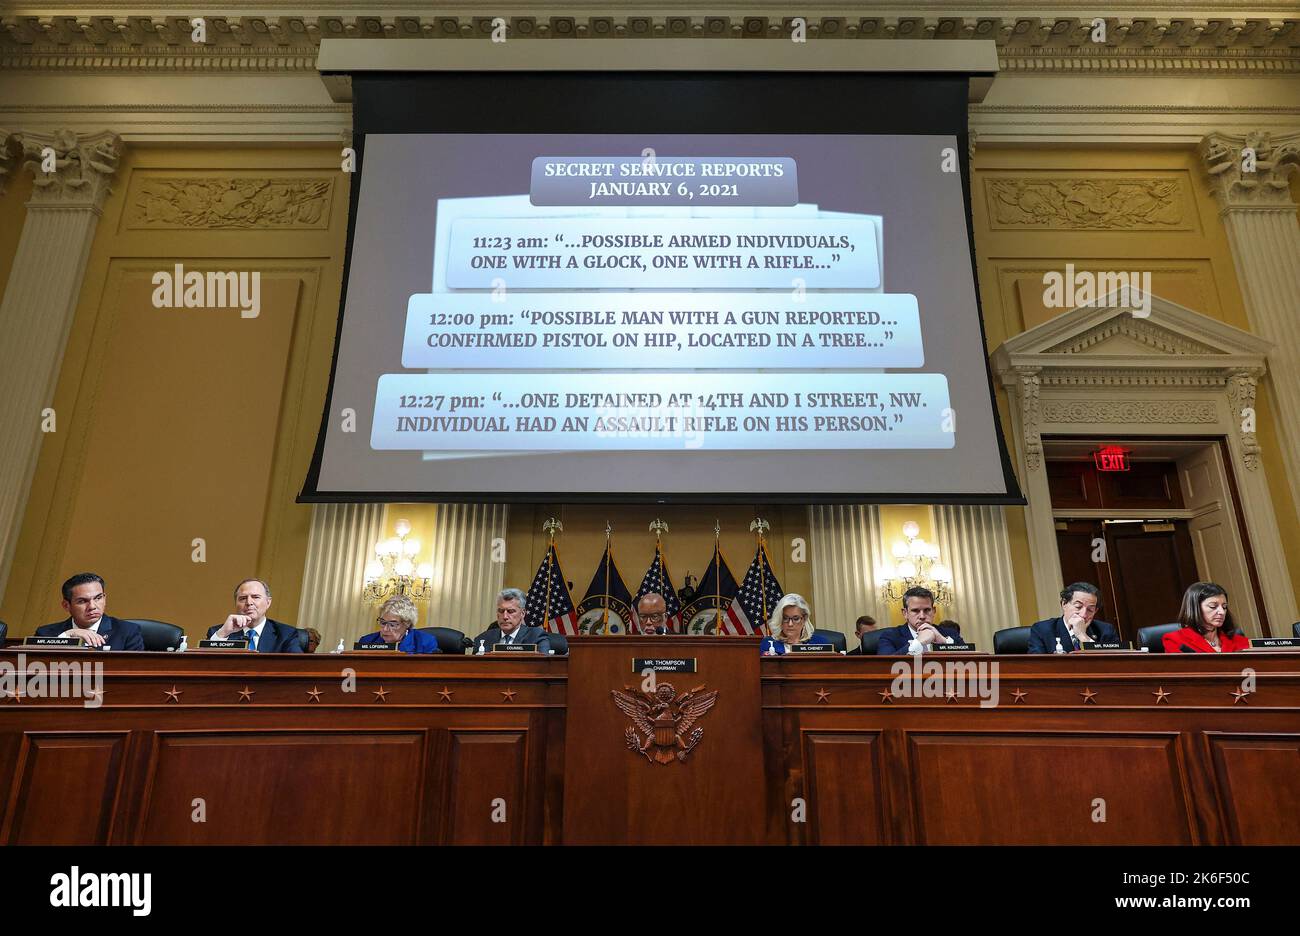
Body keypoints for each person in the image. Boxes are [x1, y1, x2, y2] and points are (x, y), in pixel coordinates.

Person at [36, 572, 144, 651]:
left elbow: (134, 674)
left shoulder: (127, 632)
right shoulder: (45, 634)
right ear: (66, 605)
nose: (92, 606)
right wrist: (66, 637)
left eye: (98, 598)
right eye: (82, 601)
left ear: (104, 598)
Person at [206, 578, 303, 652]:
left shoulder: (286, 634)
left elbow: (298, 668)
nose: (249, 602)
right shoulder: (218, 632)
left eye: (255, 597)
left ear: (268, 602)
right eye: (243, 598)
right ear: (236, 603)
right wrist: (223, 634)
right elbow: (205, 664)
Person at [1028, 582, 1119, 653]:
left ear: (1095, 611)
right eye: (1078, 607)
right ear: (1064, 604)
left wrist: (1082, 636)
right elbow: (1037, 666)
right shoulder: (1042, 630)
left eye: (1090, 610)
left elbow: (1113, 664)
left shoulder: (1105, 630)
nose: (1083, 615)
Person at [1164, 581, 1249, 653]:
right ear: (1195, 608)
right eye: (1213, 606)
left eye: (1224, 606)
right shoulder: (1175, 640)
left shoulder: (1241, 641)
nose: (1222, 612)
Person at [876, 587, 962, 654]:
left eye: (927, 610)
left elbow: (968, 659)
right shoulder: (890, 636)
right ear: (905, 613)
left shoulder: (950, 633)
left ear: (934, 611)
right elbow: (885, 665)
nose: (922, 616)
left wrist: (944, 641)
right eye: (915, 611)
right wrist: (918, 643)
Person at [472, 588, 552, 654]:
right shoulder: (483, 639)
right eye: (501, 611)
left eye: (510, 611)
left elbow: (542, 667)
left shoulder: (536, 637)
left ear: (523, 613)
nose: (505, 616)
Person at [356, 595, 440, 653]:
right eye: (383, 622)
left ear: (407, 623)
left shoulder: (425, 642)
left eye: (392, 624)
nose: (385, 629)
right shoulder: (367, 641)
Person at [760, 594, 829, 655]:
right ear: (779, 619)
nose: (790, 624)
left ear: (804, 619)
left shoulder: (820, 643)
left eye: (796, 619)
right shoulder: (766, 644)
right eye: (785, 618)